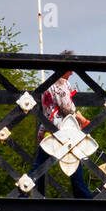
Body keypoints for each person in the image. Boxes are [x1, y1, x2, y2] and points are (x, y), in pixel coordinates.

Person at [29, 58, 93, 198]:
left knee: (39, 167)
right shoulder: (61, 83)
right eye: (70, 70)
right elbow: (67, 108)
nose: (72, 73)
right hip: (62, 132)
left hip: (47, 129)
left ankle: (27, 193)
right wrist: (81, 119)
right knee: (74, 165)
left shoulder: (47, 83)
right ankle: (85, 199)